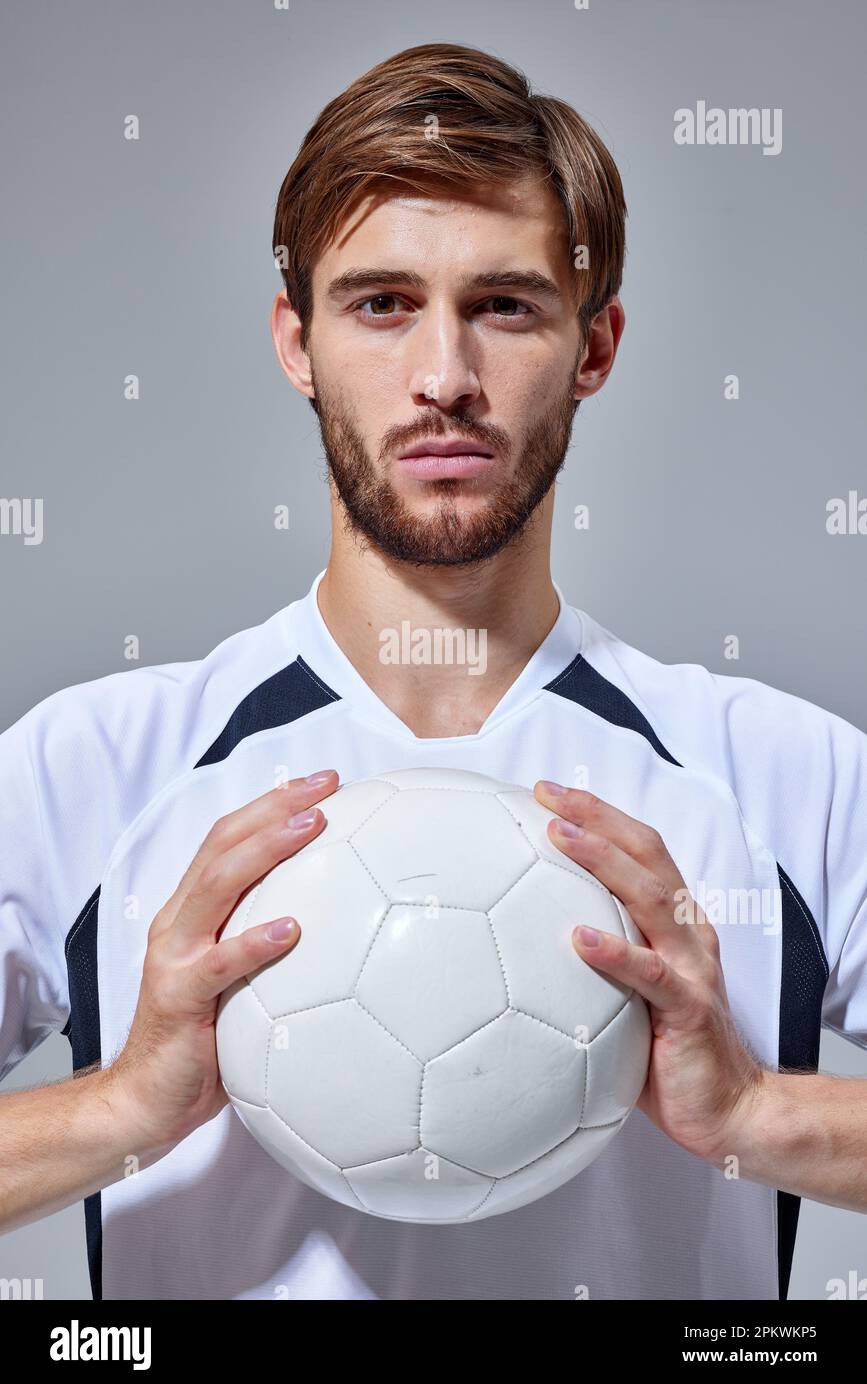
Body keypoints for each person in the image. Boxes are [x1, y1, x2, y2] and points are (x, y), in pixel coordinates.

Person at [1, 42, 865, 1301]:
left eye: (506, 304)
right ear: (296, 342)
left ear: (596, 344)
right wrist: (120, 1104)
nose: (444, 377)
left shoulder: (789, 775)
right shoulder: (88, 767)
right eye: (382, 303)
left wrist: (758, 1116)